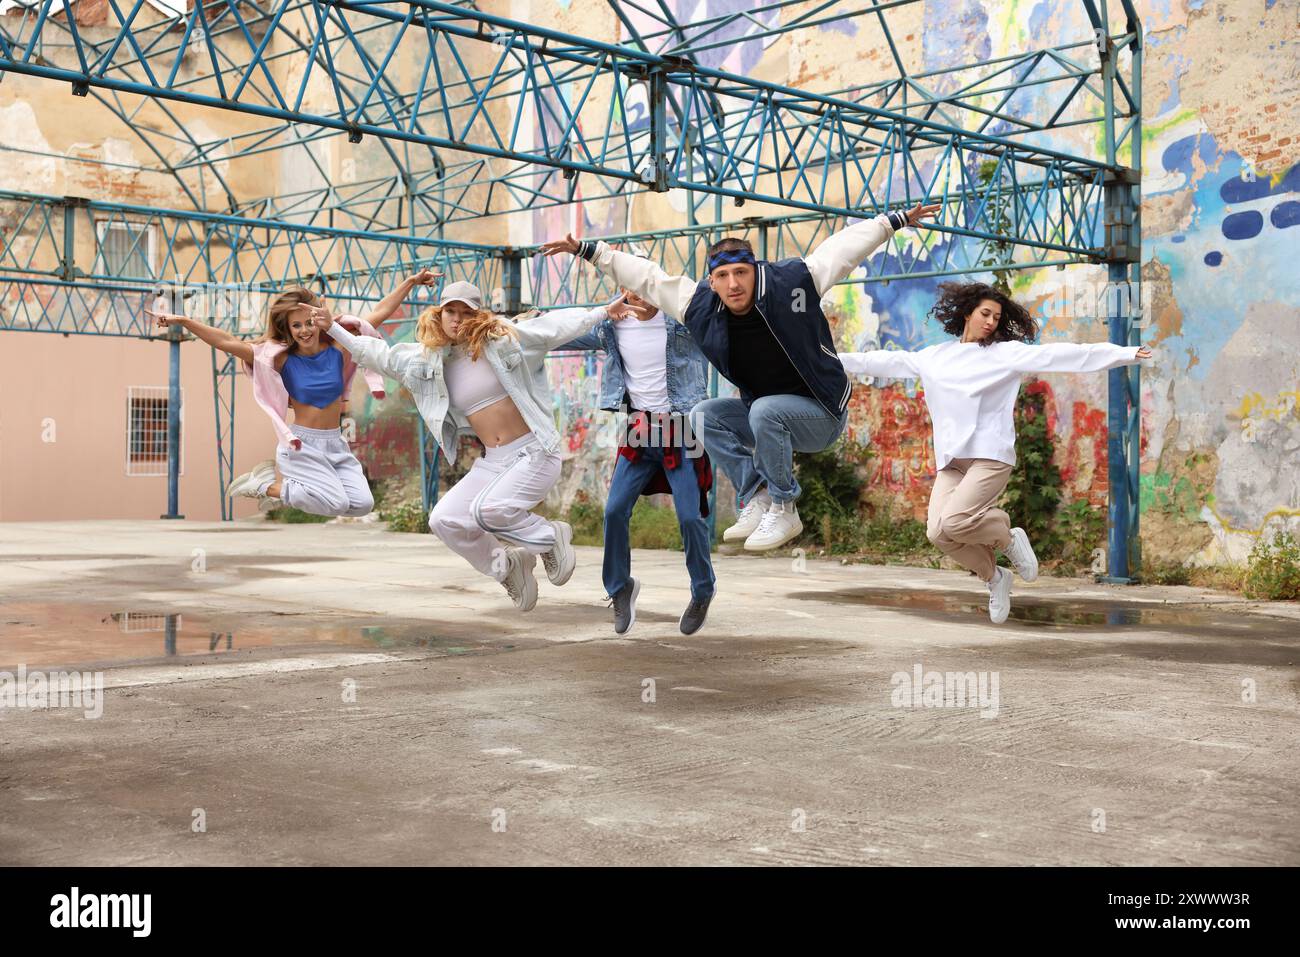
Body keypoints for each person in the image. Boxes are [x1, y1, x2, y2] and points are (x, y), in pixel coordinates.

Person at [541, 202, 940, 552]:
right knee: (703, 415)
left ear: (754, 270)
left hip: (821, 413)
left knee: (766, 410)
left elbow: (842, 251)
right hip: (764, 416)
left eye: (742, 273)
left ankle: (785, 506)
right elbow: (647, 276)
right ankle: (759, 496)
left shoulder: (793, 282)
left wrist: (894, 221)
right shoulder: (697, 304)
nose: (734, 284)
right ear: (711, 282)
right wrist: (588, 250)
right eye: (724, 277)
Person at [840, 280, 1152, 623]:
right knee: (938, 533)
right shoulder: (934, 358)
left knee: (957, 521)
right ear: (967, 314)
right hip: (953, 462)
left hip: (990, 455)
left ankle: (1006, 535)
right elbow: (881, 362)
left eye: (996, 317)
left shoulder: (1005, 354)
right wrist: (829, 360)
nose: (990, 321)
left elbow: (1064, 354)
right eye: (984, 313)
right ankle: (996, 578)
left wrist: (1122, 353)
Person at [319, 281, 624, 612]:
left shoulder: (504, 340)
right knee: (445, 520)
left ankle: (550, 537)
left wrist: (603, 312)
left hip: (534, 452)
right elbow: (378, 355)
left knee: (488, 510)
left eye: (466, 312)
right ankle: (507, 567)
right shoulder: (429, 361)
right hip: (495, 461)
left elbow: (553, 327)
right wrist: (331, 327)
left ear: (479, 315)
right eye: (451, 311)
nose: (457, 319)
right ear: (440, 314)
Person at [145, 271, 437, 516]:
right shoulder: (281, 359)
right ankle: (267, 486)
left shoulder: (340, 349)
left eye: (309, 322)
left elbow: (377, 314)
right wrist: (184, 321)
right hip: (301, 445)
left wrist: (410, 282)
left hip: (335, 443)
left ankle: (279, 489)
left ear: (320, 319)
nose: (304, 330)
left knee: (361, 504)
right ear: (287, 328)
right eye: (296, 325)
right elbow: (226, 342)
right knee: (335, 501)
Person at [560, 287, 715, 635]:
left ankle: (703, 590)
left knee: (690, 517)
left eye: (646, 286)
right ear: (623, 291)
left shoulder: (682, 323)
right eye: (631, 288)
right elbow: (560, 335)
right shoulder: (612, 326)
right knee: (614, 510)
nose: (639, 294)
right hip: (640, 430)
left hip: (682, 429)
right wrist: (517, 327)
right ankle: (620, 587)